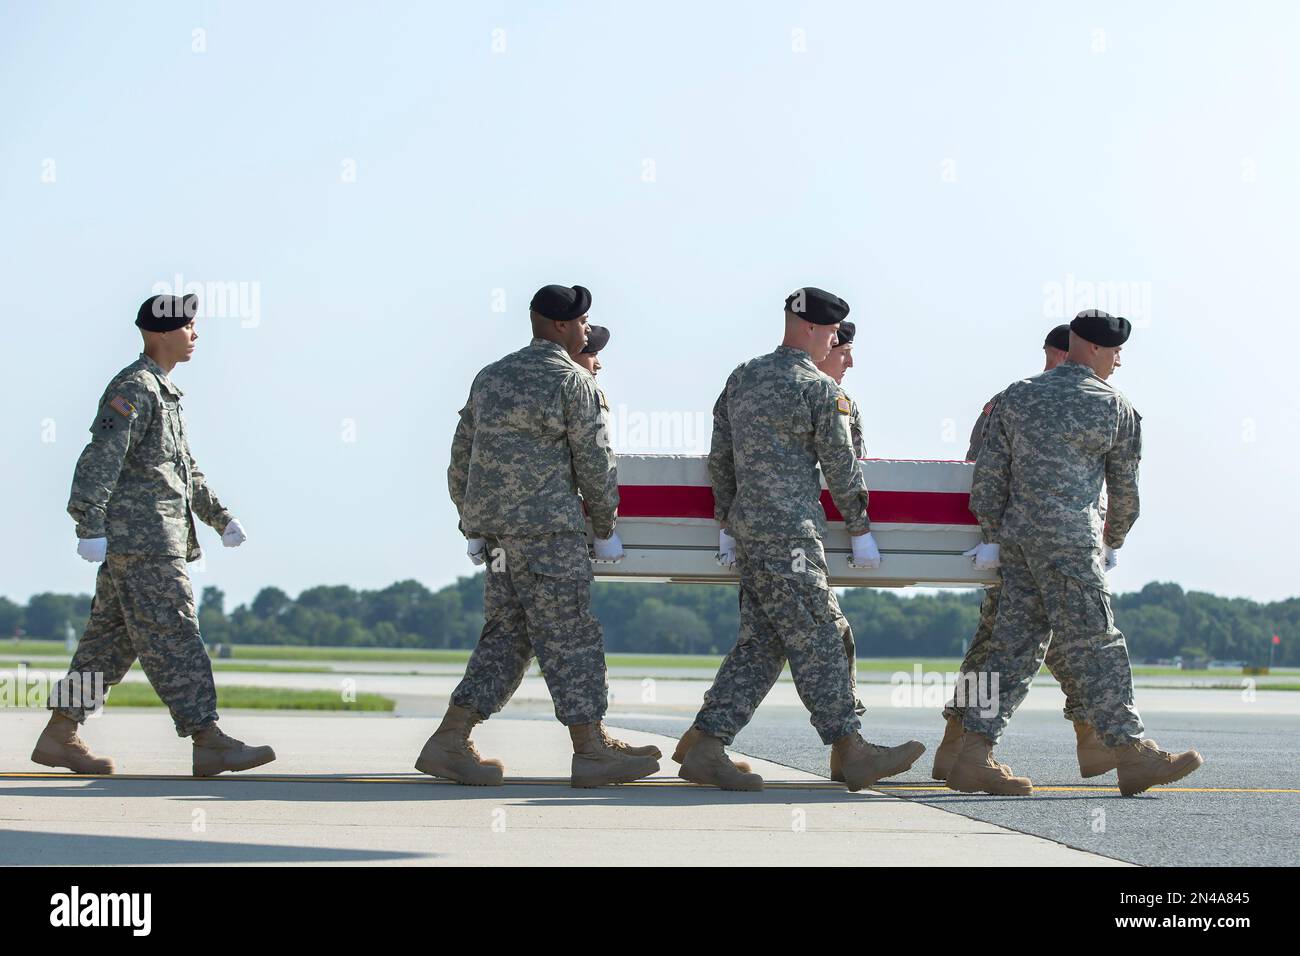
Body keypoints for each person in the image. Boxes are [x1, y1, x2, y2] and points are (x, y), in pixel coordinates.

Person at [674, 287, 924, 792]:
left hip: (751, 531)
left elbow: (720, 457)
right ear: (811, 328)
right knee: (822, 633)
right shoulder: (817, 388)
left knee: (763, 645)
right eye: (832, 333)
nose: (834, 342)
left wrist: (728, 521)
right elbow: (840, 464)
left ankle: (706, 742)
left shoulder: (743, 377)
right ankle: (850, 749)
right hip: (791, 534)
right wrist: (860, 528)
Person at [949, 310, 1203, 796]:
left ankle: (973, 754)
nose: (1118, 362)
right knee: (1099, 644)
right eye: (1114, 352)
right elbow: (1124, 491)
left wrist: (992, 533)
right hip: (1071, 542)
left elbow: (988, 475)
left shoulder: (1018, 395)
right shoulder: (1113, 406)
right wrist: (1115, 541)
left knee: (1012, 647)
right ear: (1091, 349)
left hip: (1019, 541)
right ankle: (1131, 751)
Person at [422, 283, 661, 788]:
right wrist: (605, 525)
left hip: (499, 538)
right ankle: (591, 749)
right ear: (559, 326)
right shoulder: (572, 382)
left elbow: (461, 452)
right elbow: (596, 463)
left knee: (508, 638)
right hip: (549, 532)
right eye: (582, 323)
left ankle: (449, 738)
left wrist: (470, 521)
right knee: (571, 635)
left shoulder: (490, 377)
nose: (586, 331)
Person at [33, 293, 274, 778]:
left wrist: (220, 517)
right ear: (161, 332)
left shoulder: (163, 392)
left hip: (152, 540)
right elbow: (100, 457)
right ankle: (208, 740)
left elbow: (182, 472)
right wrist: (89, 524)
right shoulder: (135, 389)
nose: (194, 334)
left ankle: (60, 734)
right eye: (187, 325)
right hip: (143, 544)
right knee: (176, 635)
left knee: (107, 645)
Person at [935, 324, 1119, 782]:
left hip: (1034, 543)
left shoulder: (1018, 398)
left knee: (1004, 644)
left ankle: (960, 745)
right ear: (1063, 356)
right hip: (1031, 545)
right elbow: (984, 469)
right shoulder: (1022, 399)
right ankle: (1089, 736)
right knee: (1040, 644)